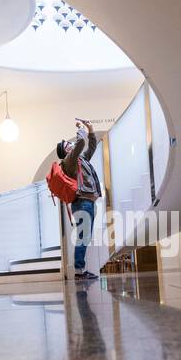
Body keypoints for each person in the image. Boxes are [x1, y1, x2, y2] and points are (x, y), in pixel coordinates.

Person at [58, 118, 102, 281]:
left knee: (85, 237)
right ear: (65, 151)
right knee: (83, 237)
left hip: (88, 202)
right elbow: (81, 144)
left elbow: (91, 147)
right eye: (67, 145)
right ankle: (78, 271)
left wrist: (90, 128)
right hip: (82, 202)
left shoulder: (80, 160)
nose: (70, 144)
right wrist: (79, 128)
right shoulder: (68, 161)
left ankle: (80, 269)